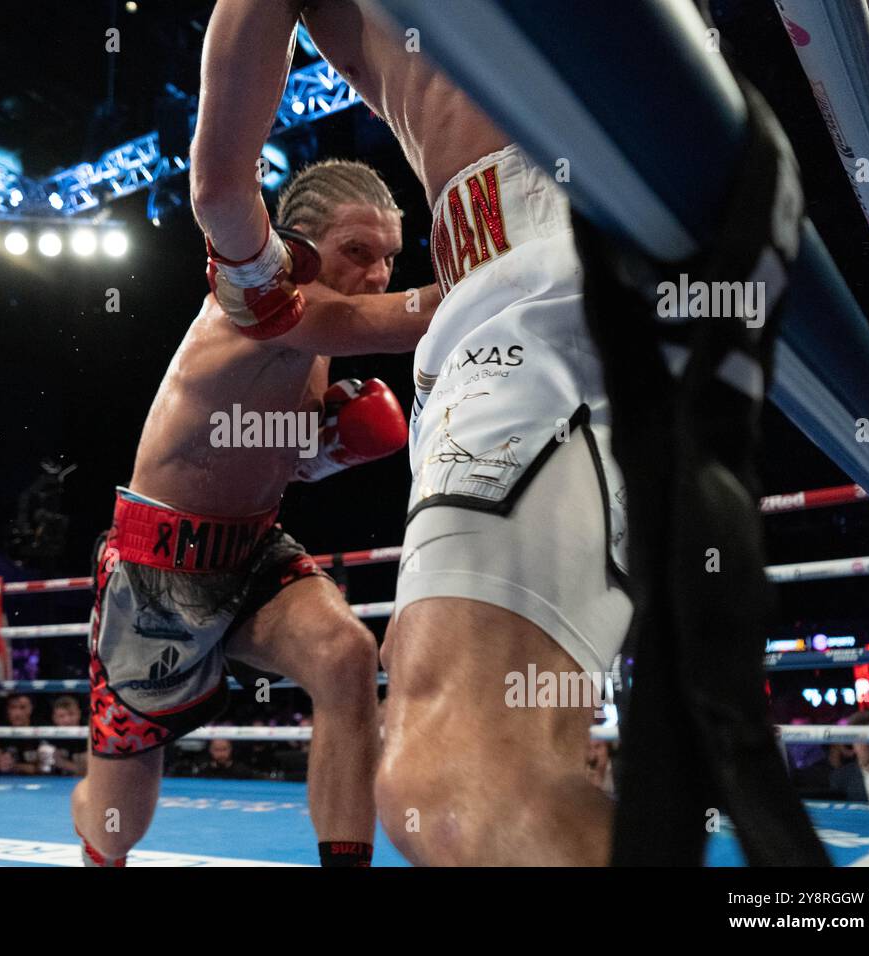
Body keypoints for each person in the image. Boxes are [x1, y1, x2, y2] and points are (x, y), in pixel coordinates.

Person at [192, 0, 629, 864]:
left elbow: (219, 196)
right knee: (504, 735)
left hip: (539, 267)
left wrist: (249, 264)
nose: (376, 268)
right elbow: (317, 320)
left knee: (454, 776)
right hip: (610, 240)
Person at [72, 157, 438, 868]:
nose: (375, 276)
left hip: (253, 547)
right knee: (120, 820)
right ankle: (91, 830)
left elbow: (281, 458)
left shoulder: (322, 342)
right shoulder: (256, 300)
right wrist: (502, 282)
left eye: (389, 259)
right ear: (297, 247)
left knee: (346, 656)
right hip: (157, 568)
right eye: (356, 253)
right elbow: (384, 322)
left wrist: (331, 447)